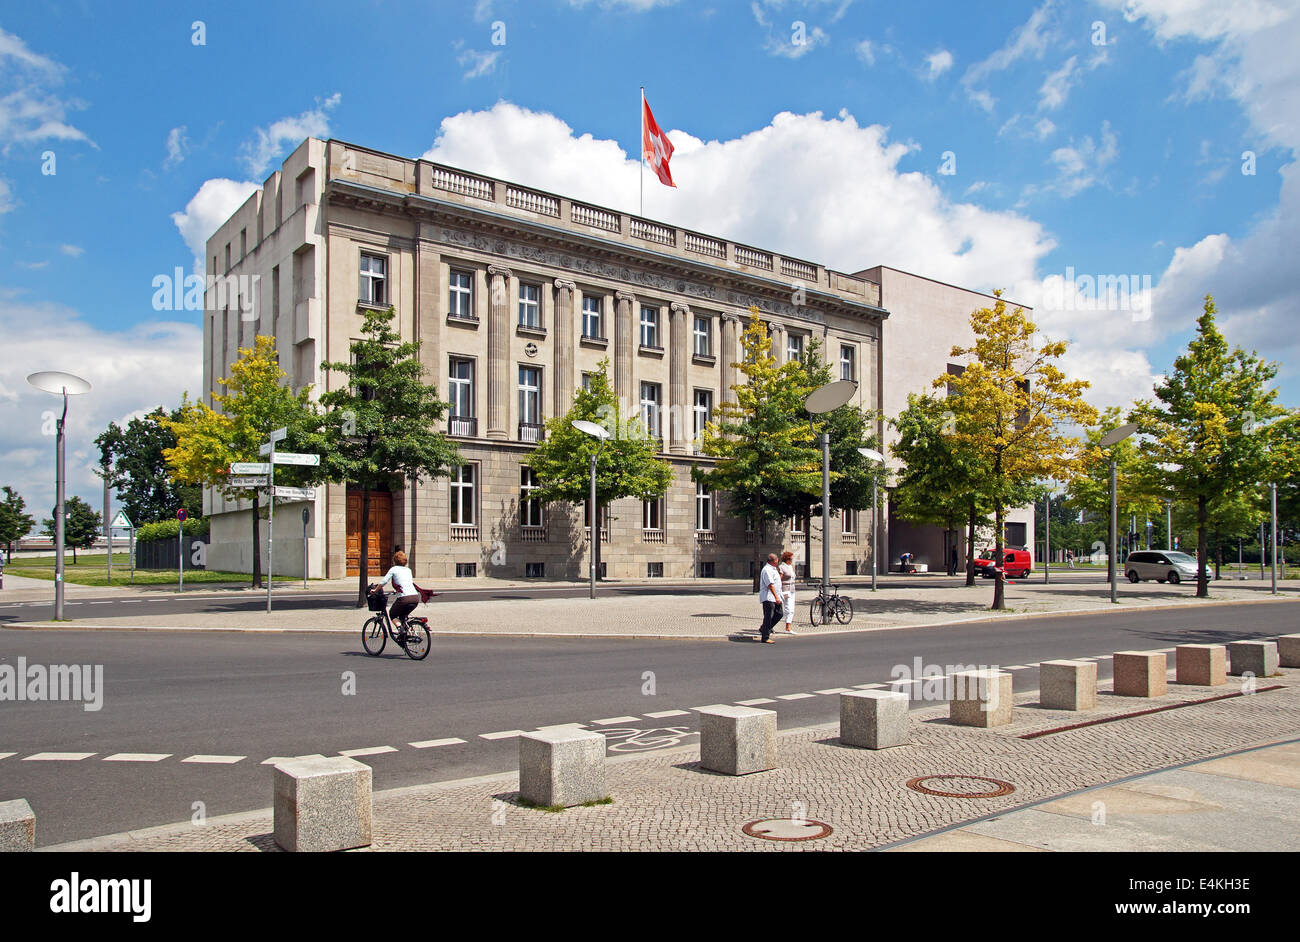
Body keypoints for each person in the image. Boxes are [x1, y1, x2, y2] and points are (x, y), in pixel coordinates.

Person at [377, 550, 420, 636]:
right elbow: (406, 583)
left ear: (395, 560)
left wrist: (375, 590)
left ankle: (400, 629)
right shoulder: (408, 570)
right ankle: (405, 635)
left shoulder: (394, 569)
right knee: (402, 616)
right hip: (415, 598)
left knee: (392, 614)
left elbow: (384, 581)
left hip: (404, 598)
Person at [757, 553, 784, 644]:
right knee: (768, 617)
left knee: (779, 614)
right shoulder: (767, 570)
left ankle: (764, 628)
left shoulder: (773, 569)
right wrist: (776, 597)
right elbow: (770, 585)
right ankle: (765, 637)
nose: (778, 561)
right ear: (773, 561)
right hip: (769, 597)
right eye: (777, 560)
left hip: (776, 596)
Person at [778, 550, 797, 634]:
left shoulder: (790, 567)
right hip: (785, 590)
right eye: (791, 559)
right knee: (788, 608)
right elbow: (779, 579)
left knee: (792, 608)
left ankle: (788, 627)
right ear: (787, 559)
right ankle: (787, 627)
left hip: (792, 589)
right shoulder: (782, 567)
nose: (792, 560)